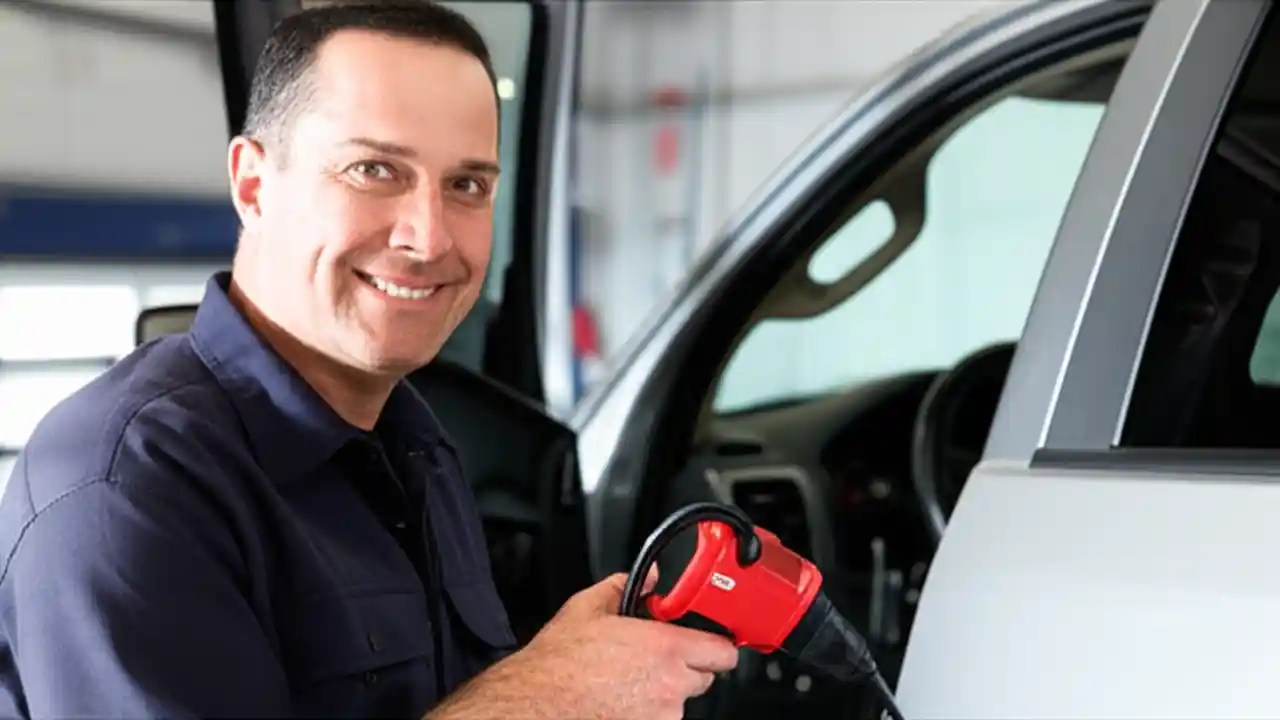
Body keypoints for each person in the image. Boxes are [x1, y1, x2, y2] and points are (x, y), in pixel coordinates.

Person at [0, 1, 738, 718]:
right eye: (374, 171)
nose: (429, 237)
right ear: (253, 184)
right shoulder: (123, 488)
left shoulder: (414, 445)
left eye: (467, 185)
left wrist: (571, 673)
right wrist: (545, 697)